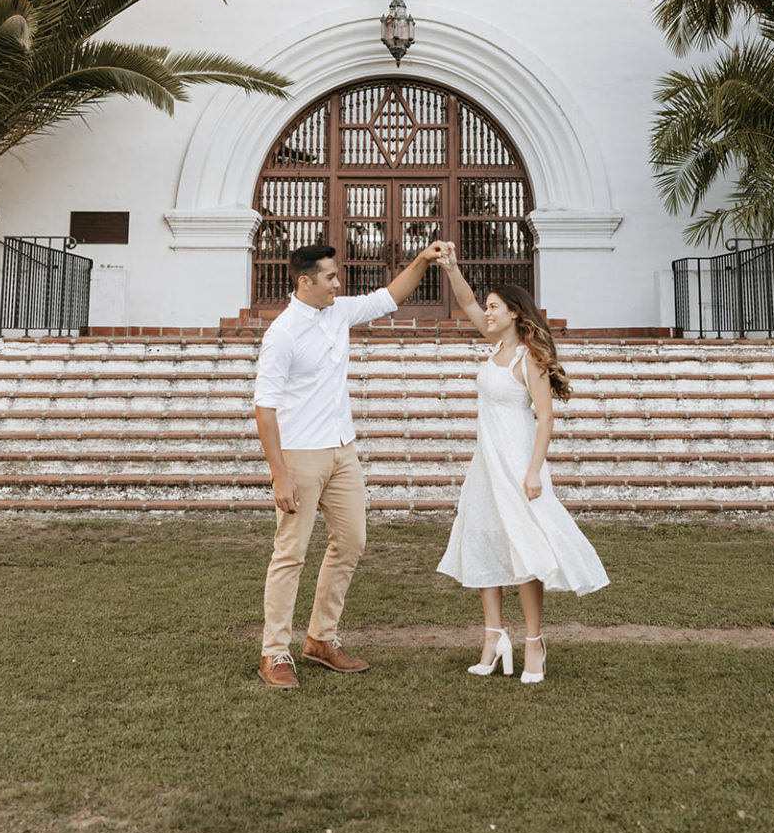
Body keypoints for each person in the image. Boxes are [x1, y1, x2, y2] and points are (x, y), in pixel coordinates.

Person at [254, 239, 447, 689]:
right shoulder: (281, 334)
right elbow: (264, 408)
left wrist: (422, 259)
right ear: (305, 282)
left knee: (353, 541)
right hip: (300, 454)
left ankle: (321, 640)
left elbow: (391, 297)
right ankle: (274, 653)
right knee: (290, 554)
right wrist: (279, 474)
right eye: (331, 278)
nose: (338, 284)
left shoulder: (338, 312)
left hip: (343, 450)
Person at [436, 245, 609, 683]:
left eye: (495, 308)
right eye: (488, 308)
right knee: (484, 542)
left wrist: (533, 471)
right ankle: (493, 637)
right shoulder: (494, 344)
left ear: (514, 313)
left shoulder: (527, 357)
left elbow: (545, 417)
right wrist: (453, 268)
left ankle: (534, 641)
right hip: (486, 461)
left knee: (525, 549)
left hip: (517, 462)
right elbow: (468, 302)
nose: (486, 313)